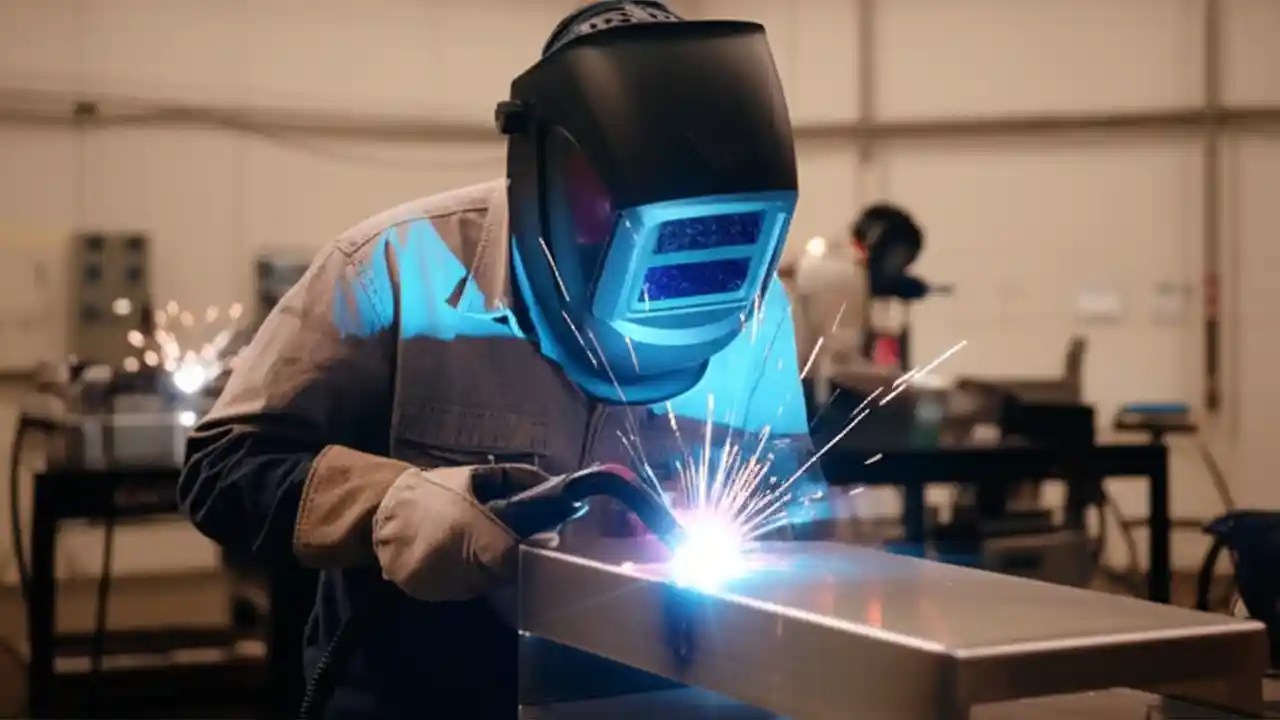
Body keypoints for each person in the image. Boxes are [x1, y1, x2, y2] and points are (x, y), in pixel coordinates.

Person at [177, 2, 819, 717]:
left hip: (647, 694)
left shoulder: (755, 302)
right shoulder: (394, 268)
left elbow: (780, 500)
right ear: (549, 162)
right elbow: (221, 470)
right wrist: (395, 506)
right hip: (424, 693)